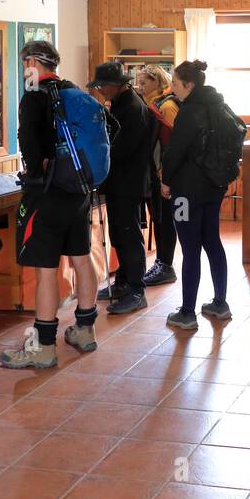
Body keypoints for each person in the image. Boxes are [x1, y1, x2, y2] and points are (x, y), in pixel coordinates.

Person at [0, 40, 102, 368]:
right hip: (79, 190)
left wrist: (33, 173)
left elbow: (30, 147)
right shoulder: (72, 91)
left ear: (32, 62)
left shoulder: (34, 96)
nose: (24, 70)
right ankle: (84, 330)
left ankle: (44, 346)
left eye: (25, 63)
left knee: (45, 270)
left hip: (47, 194)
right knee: (81, 259)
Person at [160, 60, 240, 330]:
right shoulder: (220, 106)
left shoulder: (189, 112)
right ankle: (220, 303)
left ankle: (187, 313)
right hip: (214, 187)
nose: (172, 88)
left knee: (190, 248)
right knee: (212, 241)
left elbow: (174, 152)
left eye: (175, 83)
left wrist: (166, 181)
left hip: (185, 192)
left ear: (189, 85)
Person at [89, 61, 154, 315]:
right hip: (119, 180)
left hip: (129, 181)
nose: (101, 90)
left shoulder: (133, 107)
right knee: (119, 232)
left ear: (117, 85)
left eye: (103, 86)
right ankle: (123, 282)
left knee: (129, 235)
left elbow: (123, 148)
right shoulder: (120, 103)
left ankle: (137, 290)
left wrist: (101, 151)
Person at [136, 63, 180, 287]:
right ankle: (162, 262)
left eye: (144, 82)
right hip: (154, 172)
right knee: (158, 218)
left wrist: (165, 177)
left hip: (163, 173)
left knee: (164, 220)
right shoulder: (150, 103)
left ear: (157, 82)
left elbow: (170, 143)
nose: (139, 86)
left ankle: (166, 265)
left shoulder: (166, 105)